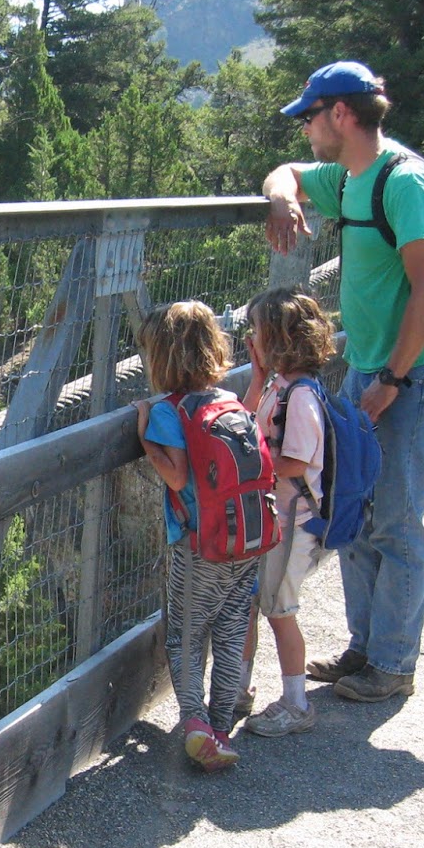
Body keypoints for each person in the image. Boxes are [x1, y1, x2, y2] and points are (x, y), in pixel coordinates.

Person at [263, 61, 424, 702]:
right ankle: (364, 649)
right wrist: (282, 197)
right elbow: (286, 173)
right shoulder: (351, 177)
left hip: (414, 374)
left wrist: (394, 381)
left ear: (341, 116)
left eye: (310, 117)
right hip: (371, 369)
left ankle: (394, 665)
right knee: (350, 505)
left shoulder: (405, 184)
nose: (305, 129)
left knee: (397, 520)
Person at [133, 301, 258, 771]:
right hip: (245, 542)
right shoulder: (228, 401)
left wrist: (146, 437)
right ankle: (222, 727)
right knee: (228, 631)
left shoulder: (171, 411)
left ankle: (195, 723)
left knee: (185, 635)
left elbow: (177, 475)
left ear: (160, 359)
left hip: (198, 544)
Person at [240, 288, 335, 737]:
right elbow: (243, 421)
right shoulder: (278, 386)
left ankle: (297, 703)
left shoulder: (300, 397)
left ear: (278, 338)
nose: (250, 338)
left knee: (279, 610)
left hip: (291, 524)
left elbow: (297, 460)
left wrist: (251, 471)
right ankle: (236, 689)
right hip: (271, 520)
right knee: (250, 605)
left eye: (256, 331)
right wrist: (257, 377)